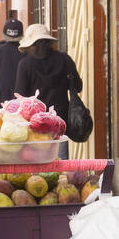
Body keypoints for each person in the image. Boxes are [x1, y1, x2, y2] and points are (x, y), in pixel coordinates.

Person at [14, 23, 81, 156]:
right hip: (60, 123)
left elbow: (19, 96)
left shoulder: (25, 65)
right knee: (59, 164)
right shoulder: (64, 60)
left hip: (34, 124)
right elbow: (78, 86)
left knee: (38, 165)